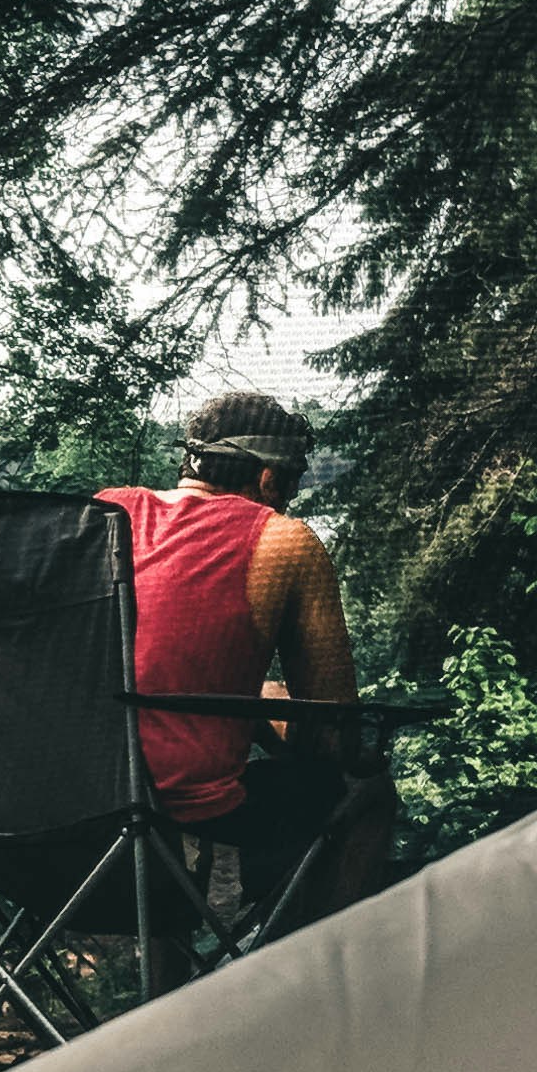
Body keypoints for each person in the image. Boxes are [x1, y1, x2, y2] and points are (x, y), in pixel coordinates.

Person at [99, 391, 386, 943]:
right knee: (365, 790)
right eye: (293, 485)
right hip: (175, 839)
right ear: (269, 482)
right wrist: (269, 718)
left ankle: (164, 1003)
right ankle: (301, 987)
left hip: (58, 832)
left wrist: (246, 707)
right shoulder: (284, 540)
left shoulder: (106, 513)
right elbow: (334, 734)